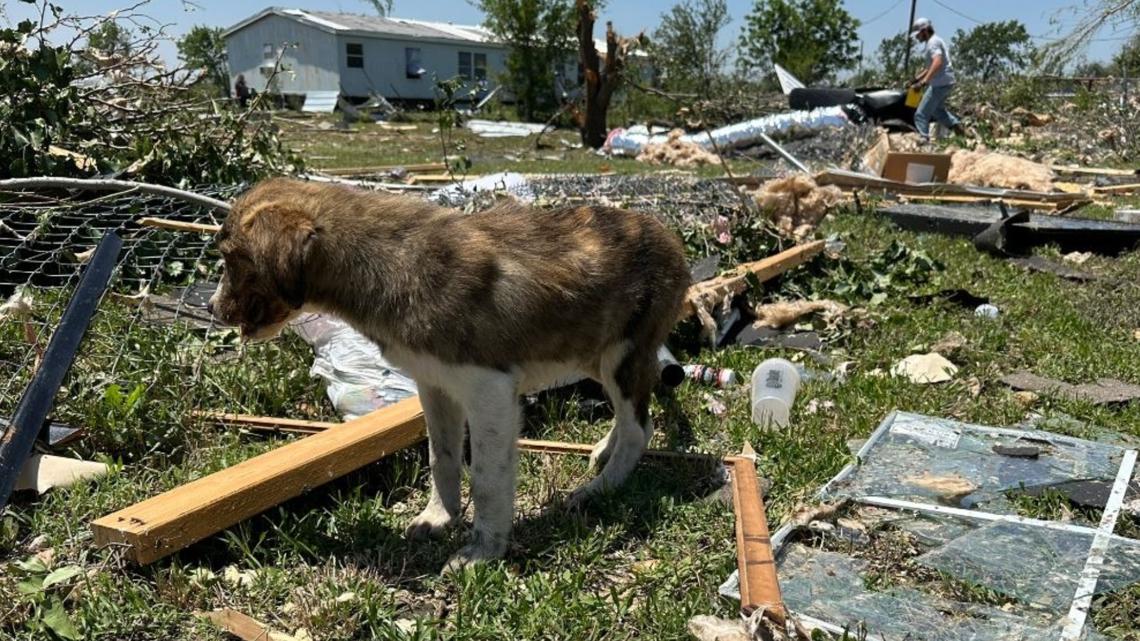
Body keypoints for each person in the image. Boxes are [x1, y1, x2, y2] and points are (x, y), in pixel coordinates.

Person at [909, 18, 964, 143]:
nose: (917, 38)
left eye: (918, 34)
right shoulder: (935, 41)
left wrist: (923, 82)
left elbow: (937, 62)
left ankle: (924, 141)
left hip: (940, 83)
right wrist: (916, 79)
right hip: (945, 81)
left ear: (924, 31)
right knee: (937, 111)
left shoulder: (932, 43)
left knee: (921, 114)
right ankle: (957, 126)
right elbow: (930, 67)